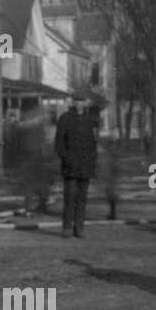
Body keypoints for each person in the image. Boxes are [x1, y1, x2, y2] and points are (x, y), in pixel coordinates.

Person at [55, 97, 97, 237]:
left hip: (85, 166)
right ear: (73, 102)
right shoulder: (65, 118)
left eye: (82, 101)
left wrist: (92, 160)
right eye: (77, 101)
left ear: (85, 103)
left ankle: (79, 227)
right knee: (70, 197)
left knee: (82, 198)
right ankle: (67, 227)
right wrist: (66, 159)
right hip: (70, 167)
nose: (80, 104)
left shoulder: (88, 120)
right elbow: (59, 143)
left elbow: (92, 143)